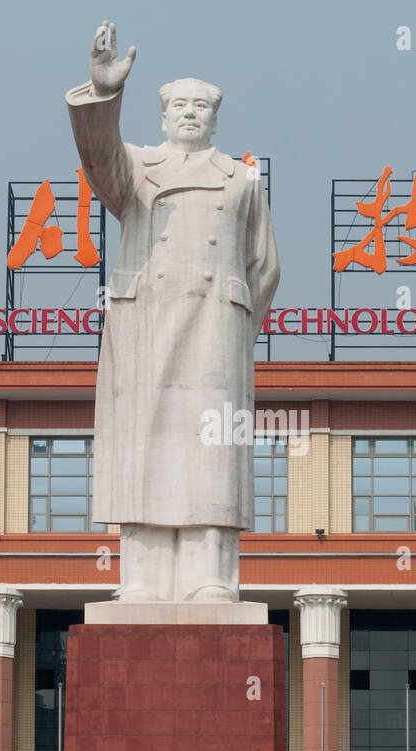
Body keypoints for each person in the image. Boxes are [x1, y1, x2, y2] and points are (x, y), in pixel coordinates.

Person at [66, 22, 279, 602]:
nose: (189, 114)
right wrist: (104, 91)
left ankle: (211, 577)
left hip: (215, 329)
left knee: (212, 451)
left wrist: (235, 328)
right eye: (179, 106)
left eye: (200, 107)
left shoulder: (242, 179)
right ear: (162, 117)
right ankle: (144, 578)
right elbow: (98, 157)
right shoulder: (137, 167)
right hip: (149, 322)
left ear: (215, 119)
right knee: (148, 443)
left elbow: (263, 266)